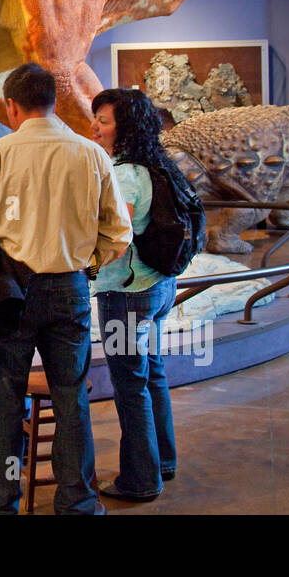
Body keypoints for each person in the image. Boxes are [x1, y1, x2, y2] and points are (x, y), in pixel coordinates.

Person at [0, 64, 132, 515]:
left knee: (4, 401)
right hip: (69, 290)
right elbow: (119, 233)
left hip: (9, 292)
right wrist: (88, 263)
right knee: (72, 397)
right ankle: (77, 501)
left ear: (11, 105)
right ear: (55, 102)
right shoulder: (91, 154)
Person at [89, 88, 180, 502]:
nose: (95, 127)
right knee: (152, 373)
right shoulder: (157, 164)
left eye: (104, 121)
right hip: (158, 286)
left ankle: (140, 480)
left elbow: (118, 238)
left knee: (130, 384)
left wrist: (88, 268)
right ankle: (162, 460)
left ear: (124, 126)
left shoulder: (124, 173)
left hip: (126, 295)